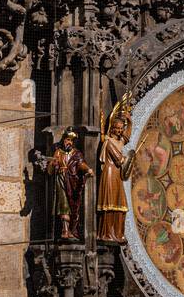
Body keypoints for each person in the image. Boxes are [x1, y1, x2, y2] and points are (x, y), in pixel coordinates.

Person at [98, 96, 137, 242]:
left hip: (116, 174)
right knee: (110, 205)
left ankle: (118, 233)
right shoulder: (109, 143)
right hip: (110, 173)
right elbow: (120, 160)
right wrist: (130, 158)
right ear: (112, 128)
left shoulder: (119, 140)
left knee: (121, 206)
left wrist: (130, 121)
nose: (120, 131)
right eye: (118, 129)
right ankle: (107, 233)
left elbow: (127, 136)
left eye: (122, 129)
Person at [49, 129, 92, 241]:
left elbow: (81, 164)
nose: (69, 143)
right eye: (68, 140)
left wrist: (88, 169)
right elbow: (50, 169)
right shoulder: (58, 152)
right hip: (61, 180)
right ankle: (65, 230)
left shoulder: (76, 153)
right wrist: (53, 164)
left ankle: (73, 230)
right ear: (63, 140)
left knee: (74, 206)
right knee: (63, 204)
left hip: (73, 182)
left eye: (72, 141)